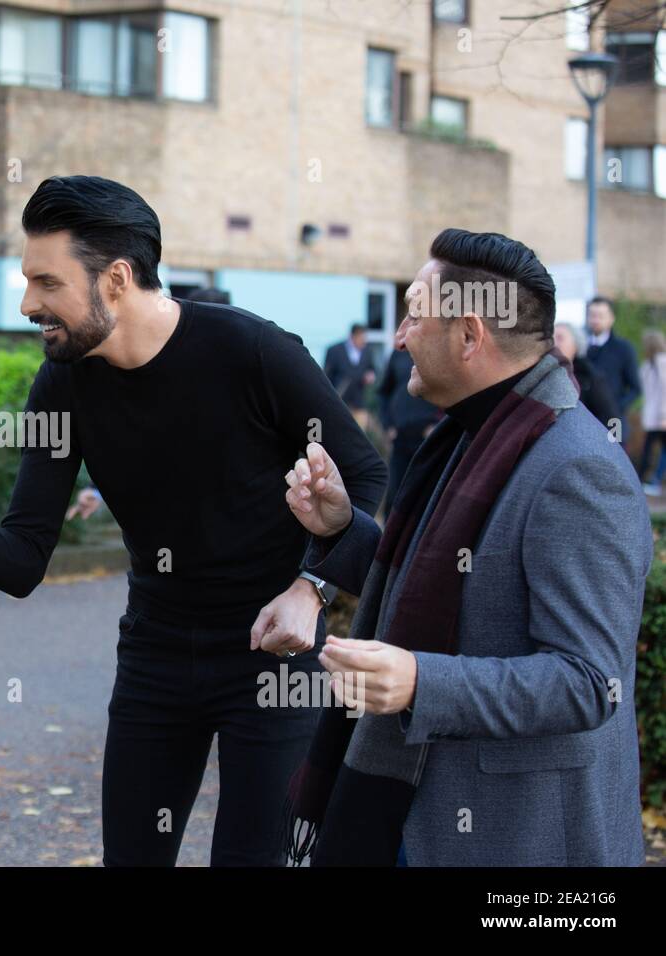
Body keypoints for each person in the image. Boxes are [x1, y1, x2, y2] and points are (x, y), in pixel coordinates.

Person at [0, 175, 387, 866]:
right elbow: (22, 559)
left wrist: (310, 589)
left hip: (273, 657)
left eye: (46, 282)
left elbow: (366, 475)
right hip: (157, 658)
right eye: (27, 280)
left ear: (116, 278)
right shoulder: (62, 384)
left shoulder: (252, 351)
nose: (27, 304)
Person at [282, 230, 650, 866]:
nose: (399, 337)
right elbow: (448, 588)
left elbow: (591, 683)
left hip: (514, 841)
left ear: (470, 335)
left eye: (415, 315)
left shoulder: (576, 469)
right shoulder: (469, 435)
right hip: (421, 806)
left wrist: (421, 680)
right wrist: (342, 529)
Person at [375, 347, 439, 517]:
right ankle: (390, 540)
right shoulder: (398, 354)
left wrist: (438, 424)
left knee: (427, 494)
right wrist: (388, 425)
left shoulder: (438, 351)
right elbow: (383, 392)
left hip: (429, 437)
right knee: (396, 493)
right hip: (400, 437)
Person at [553, 321, 618, 430]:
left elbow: (612, 417)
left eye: (560, 338)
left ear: (576, 344)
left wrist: (612, 445)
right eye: (551, 339)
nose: (554, 344)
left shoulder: (590, 377)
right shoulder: (540, 375)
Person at [585, 296, 641, 422]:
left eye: (600, 316)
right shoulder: (580, 347)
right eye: (592, 315)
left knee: (614, 442)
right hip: (585, 421)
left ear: (611, 318)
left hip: (613, 421)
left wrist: (616, 408)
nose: (595, 320)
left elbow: (635, 387)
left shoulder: (624, 348)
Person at [323, 323, 379, 427]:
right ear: (353, 336)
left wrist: (371, 376)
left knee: (360, 434)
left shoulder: (367, 351)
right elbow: (326, 375)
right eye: (361, 337)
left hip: (359, 402)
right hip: (340, 401)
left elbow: (372, 369)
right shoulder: (334, 350)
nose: (363, 341)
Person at [637, 329, 666, 494]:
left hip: (655, 416)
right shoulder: (653, 364)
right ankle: (652, 480)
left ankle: (647, 480)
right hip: (657, 416)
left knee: (651, 449)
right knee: (656, 450)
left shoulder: (653, 364)